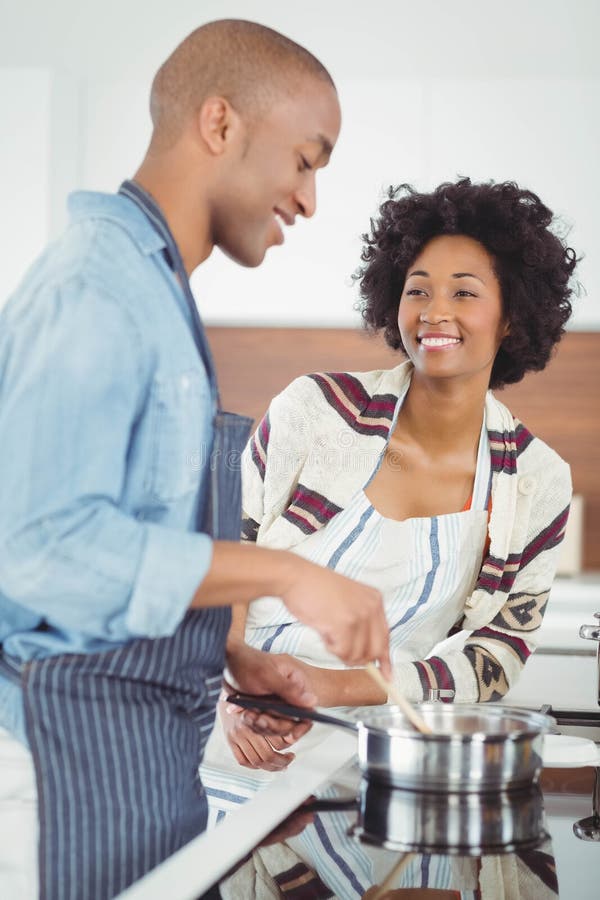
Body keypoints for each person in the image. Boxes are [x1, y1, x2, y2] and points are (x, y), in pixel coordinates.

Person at [0, 19, 392, 900]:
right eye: (305, 158)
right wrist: (285, 572)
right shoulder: (95, 289)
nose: (309, 198)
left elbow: (128, 534)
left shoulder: (152, 289)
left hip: (132, 761)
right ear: (220, 124)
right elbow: (41, 550)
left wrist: (221, 650)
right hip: (66, 769)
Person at [201, 177, 576, 814]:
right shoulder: (314, 412)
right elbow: (223, 553)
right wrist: (236, 686)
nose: (435, 311)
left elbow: (494, 658)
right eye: (418, 289)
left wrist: (323, 686)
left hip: (379, 761)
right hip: (231, 733)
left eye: (464, 291)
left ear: (512, 316)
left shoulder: (537, 482)